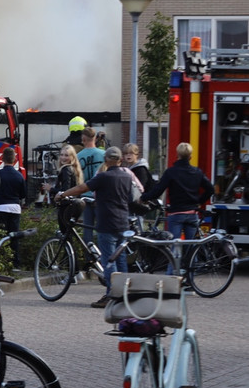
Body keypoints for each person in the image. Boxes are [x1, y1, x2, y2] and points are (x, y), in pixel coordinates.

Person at [58, 145, 140, 307]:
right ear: (120, 159)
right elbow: (134, 196)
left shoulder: (103, 177)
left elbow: (82, 188)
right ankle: (123, 292)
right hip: (123, 222)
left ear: (106, 160)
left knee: (109, 260)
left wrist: (63, 194)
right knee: (121, 259)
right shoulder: (127, 176)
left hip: (107, 222)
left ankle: (111, 294)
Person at [141, 142, 214, 243]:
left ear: (177, 155)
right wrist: (199, 201)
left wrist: (143, 197)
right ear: (190, 157)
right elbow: (210, 189)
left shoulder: (171, 172)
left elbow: (157, 191)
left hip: (176, 213)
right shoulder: (197, 172)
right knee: (192, 247)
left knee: (175, 246)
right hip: (192, 213)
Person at [0, 147, 27, 265]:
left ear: (2, 159)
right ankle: (15, 262)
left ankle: (0, 261)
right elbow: (23, 194)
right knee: (14, 236)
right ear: (14, 160)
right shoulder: (19, 176)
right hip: (14, 208)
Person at [76, 127, 105, 246]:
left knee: (87, 228)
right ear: (95, 138)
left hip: (85, 196)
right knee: (102, 229)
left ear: (83, 139)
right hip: (100, 197)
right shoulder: (103, 154)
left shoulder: (78, 156)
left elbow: (77, 178)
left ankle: (90, 258)